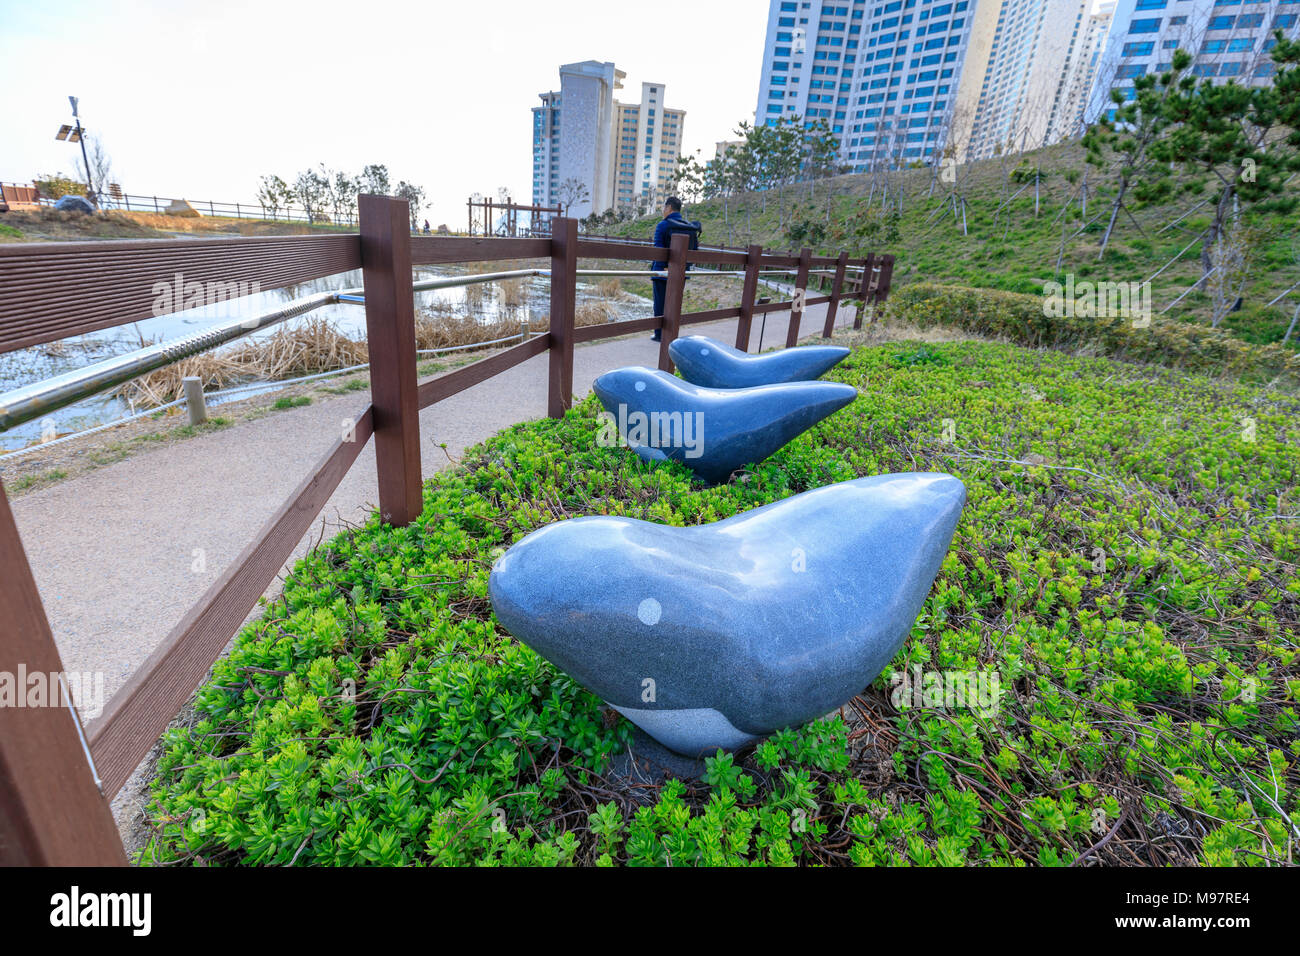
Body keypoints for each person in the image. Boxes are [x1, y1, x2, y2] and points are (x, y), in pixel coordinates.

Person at [649, 196, 702, 341]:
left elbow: (658, 250)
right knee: (674, 303)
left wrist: (663, 267)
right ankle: (672, 333)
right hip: (682, 273)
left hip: (661, 272)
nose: (663, 211)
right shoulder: (690, 227)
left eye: (664, 208)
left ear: (669, 208)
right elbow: (695, 251)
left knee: (660, 304)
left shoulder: (663, 225)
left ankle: (659, 334)